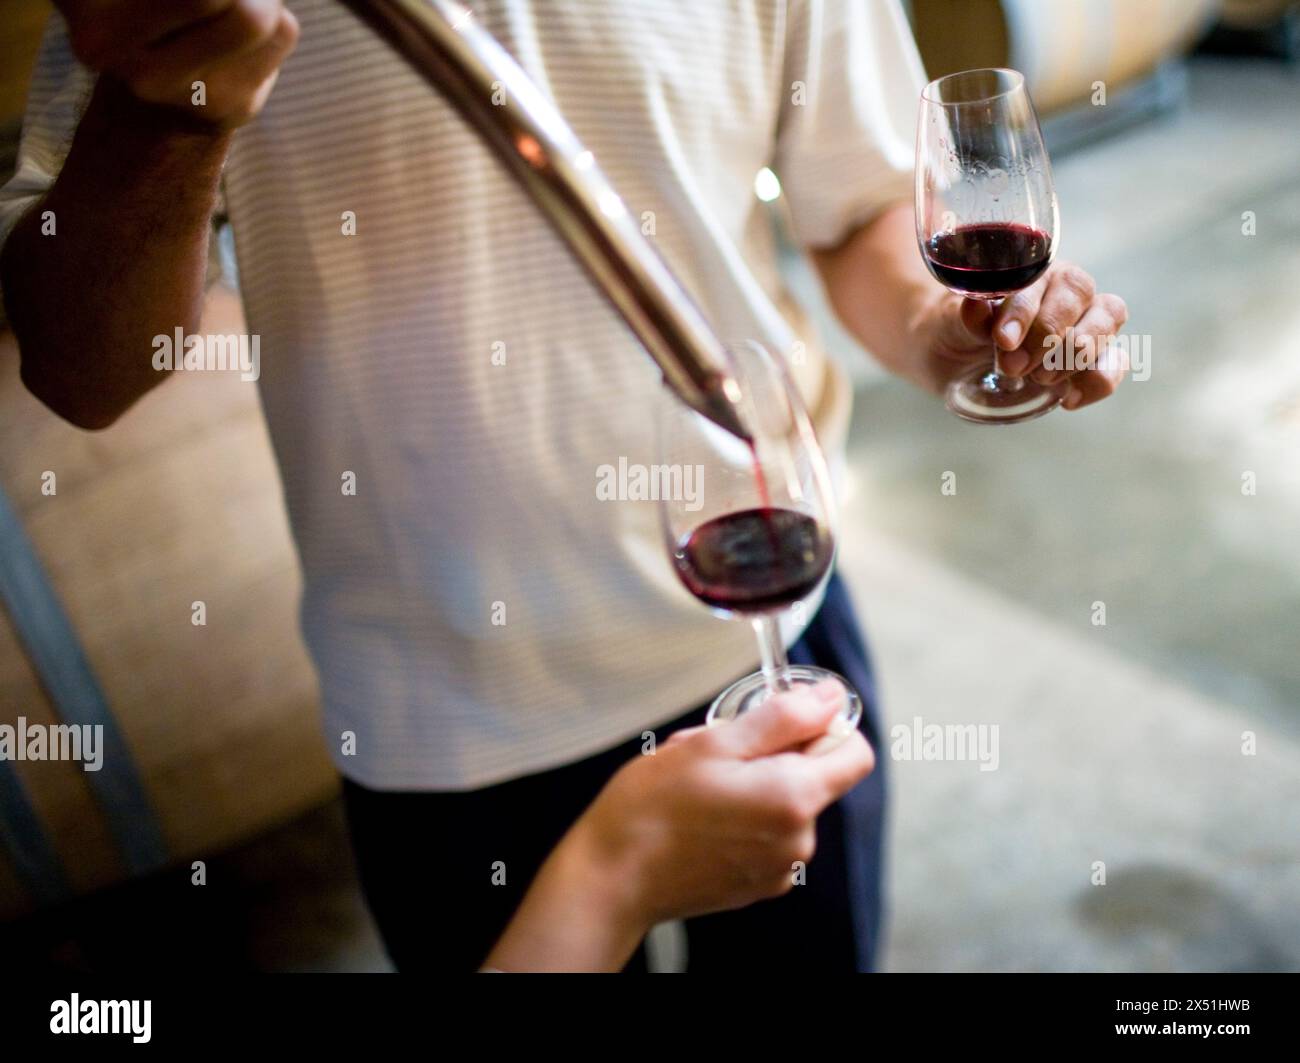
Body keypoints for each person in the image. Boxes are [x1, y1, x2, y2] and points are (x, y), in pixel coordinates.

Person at [0, 1, 1127, 972]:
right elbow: (83, 367)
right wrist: (172, 102)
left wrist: (953, 333)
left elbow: (862, 206)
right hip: (441, 711)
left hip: (768, 630)